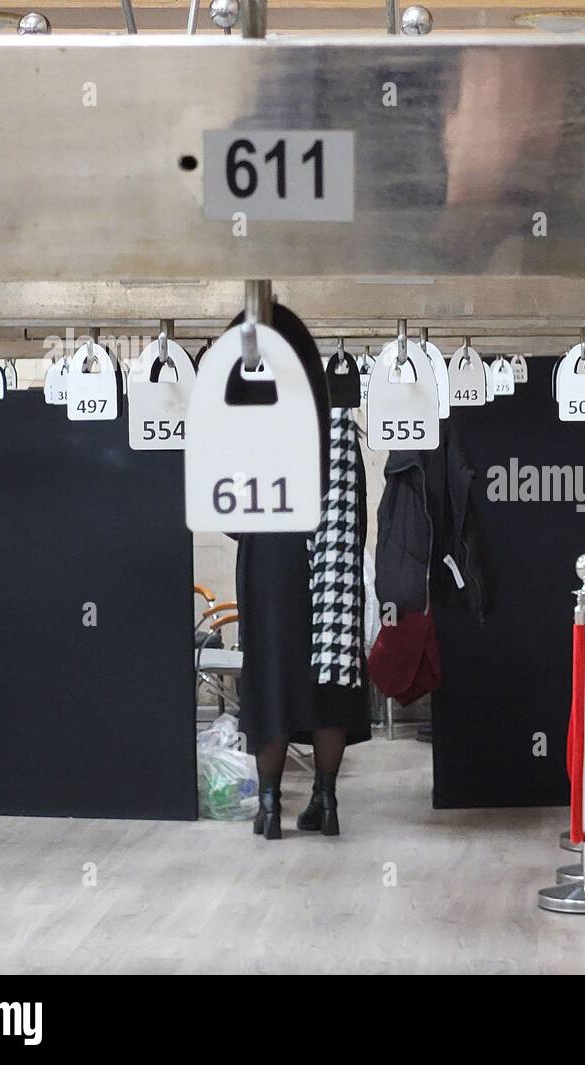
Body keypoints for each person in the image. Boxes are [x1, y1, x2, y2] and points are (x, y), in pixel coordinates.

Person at [229, 306, 370, 840]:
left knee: (271, 676)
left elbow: (227, 507)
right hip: (332, 566)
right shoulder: (335, 419)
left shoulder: (253, 415)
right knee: (328, 684)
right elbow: (354, 522)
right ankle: (325, 802)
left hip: (272, 559)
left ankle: (268, 808)